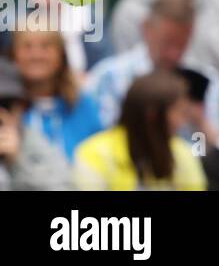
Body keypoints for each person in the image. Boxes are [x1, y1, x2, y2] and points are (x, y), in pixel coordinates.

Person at [86, 0, 219, 141]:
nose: (173, 53)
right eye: (167, 43)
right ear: (147, 28)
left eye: (181, 44)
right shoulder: (109, 78)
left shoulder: (208, 84)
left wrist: (200, 123)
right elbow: (92, 142)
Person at [73, 71, 206, 190]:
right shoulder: (94, 154)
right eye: (177, 111)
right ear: (152, 115)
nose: (181, 122)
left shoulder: (182, 153)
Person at [9, 26, 102, 160]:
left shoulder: (83, 104)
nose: (36, 55)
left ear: (61, 55)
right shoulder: (6, 107)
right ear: (14, 55)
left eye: (45, 47)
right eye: (27, 47)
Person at [0, 60, 71, 190]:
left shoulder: (35, 143)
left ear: (23, 107)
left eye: (5, 104)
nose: (1, 114)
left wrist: (17, 162)